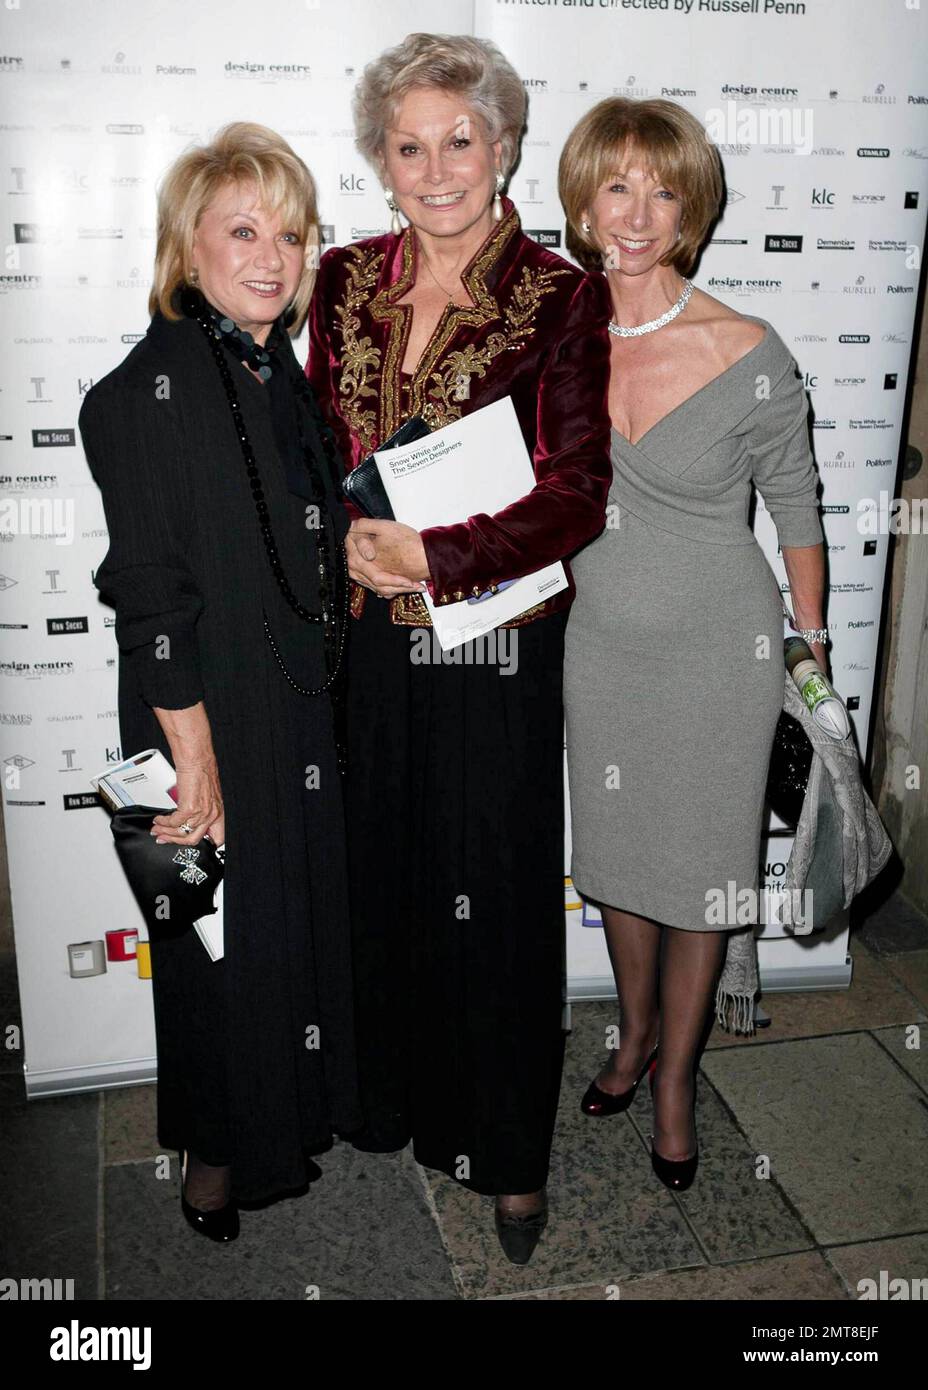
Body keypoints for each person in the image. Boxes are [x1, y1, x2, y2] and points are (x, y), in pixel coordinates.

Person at [306, 32, 612, 1263]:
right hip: (368, 650)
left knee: (492, 893)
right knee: (378, 872)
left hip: (491, 643)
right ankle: (386, 1102)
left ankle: (506, 1152)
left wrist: (434, 557)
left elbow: (576, 488)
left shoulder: (560, 295)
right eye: (408, 144)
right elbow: (313, 444)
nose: (435, 168)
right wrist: (337, 538)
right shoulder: (336, 279)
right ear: (381, 161)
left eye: (459, 140)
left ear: (504, 147)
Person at [79, 122, 361, 1239]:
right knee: (209, 943)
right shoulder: (140, 392)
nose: (273, 254)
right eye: (242, 228)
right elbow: (148, 597)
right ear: (183, 246)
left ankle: (279, 1119)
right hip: (193, 709)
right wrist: (194, 759)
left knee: (276, 932)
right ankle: (210, 1148)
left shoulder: (273, 375)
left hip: (285, 696)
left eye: (290, 233)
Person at [558, 97, 828, 1191]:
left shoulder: (748, 349)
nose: (636, 211)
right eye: (614, 185)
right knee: (622, 865)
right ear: (580, 204)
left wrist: (810, 661)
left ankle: (677, 1082)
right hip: (601, 649)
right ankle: (632, 1036)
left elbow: (800, 516)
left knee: (706, 874)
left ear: (691, 209)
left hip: (724, 652)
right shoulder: (552, 344)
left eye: (661, 188)